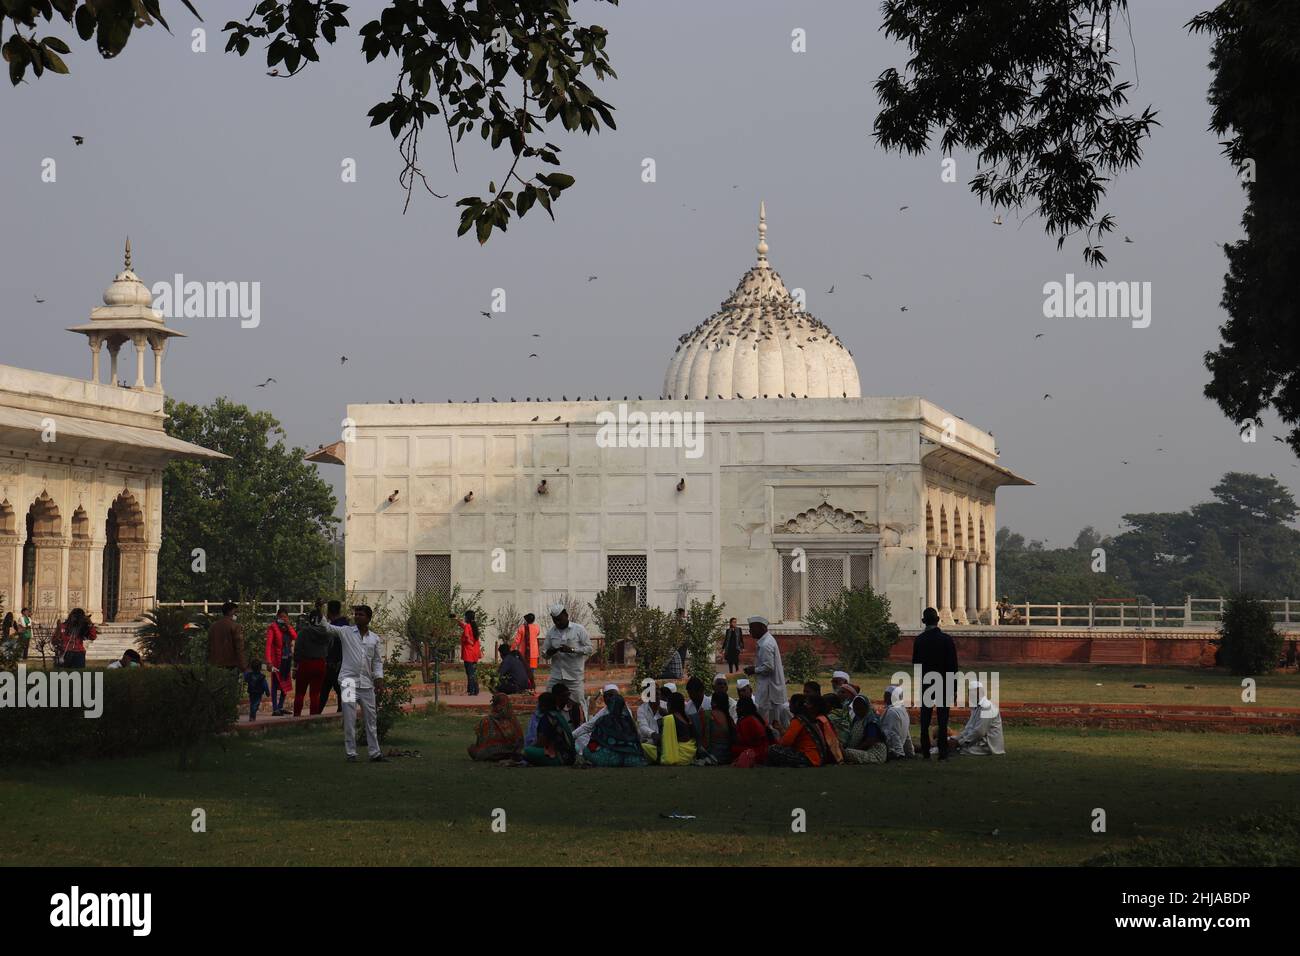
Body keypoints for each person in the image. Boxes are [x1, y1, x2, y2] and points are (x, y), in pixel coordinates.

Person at [321, 605, 387, 763]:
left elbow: (377, 661)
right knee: (349, 719)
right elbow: (327, 628)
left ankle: (375, 753)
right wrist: (320, 612)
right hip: (348, 681)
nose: (357, 616)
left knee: (371, 719)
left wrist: (379, 677)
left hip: (366, 684)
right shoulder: (346, 631)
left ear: (369, 618)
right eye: (356, 614)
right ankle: (351, 753)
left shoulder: (374, 638)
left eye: (361, 614)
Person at [913, 606, 959, 760]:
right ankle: (942, 753)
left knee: (925, 720)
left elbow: (916, 664)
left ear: (923, 621)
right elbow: (953, 666)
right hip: (944, 683)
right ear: (938, 621)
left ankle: (926, 752)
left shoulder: (919, 640)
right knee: (942, 719)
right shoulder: (946, 640)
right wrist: (953, 688)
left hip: (927, 683)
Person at [542, 603, 593, 717]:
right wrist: (550, 652)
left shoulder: (579, 629)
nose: (558, 623)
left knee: (578, 704)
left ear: (566, 615)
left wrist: (572, 650)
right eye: (555, 621)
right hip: (556, 676)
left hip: (574, 676)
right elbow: (544, 653)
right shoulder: (551, 632)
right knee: (548, 701)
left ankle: (583, 729)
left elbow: (589, 649)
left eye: (560, 620)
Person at [582, 685, 648, 767]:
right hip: (630, 759)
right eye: (607, 696)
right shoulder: (628, 721)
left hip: (610, 758)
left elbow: (593, 743)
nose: (609, 698)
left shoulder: (602, 721)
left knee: (586, 751)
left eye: (611, 696)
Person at [744, 616, 788, 730]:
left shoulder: (765, 644)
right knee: (773, 716)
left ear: (762, 628)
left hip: (769, 688)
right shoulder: (767, 640)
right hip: (770, 687)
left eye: (752, 628)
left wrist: (753, 670)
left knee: (769, 718)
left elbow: (769, 667)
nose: (750, 631)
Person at [767, 694, 831, 767]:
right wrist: (780, 729)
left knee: (772, 749)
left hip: (809, 758)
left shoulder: (798, 720)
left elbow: (785, 742)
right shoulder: (808, 718)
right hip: (818, 758)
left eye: (791, 703)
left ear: (796, 705)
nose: (789, 706)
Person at [643, 691, 696, 766]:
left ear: (670, 705)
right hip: (689, 755)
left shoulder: (669, 719)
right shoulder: (687, 718)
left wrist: (651, 740)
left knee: (644, 746)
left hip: (678, 755)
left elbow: (663, 742)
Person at [523, 692, 576, 766]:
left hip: (560, 756)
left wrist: (531, 747)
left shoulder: (547, 718)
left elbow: (541, 742)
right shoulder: (558, 715)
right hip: (570, 755)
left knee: (526, 752)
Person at [292, 612, 331, 716]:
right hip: (320, 664)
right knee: (315, 694)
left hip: (305, 663)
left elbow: (298, 649)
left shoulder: (304, 632)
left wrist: (295, 666)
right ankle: (314, 719)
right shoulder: (326, 632)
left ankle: (297, 717)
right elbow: (329, 646)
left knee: (300, 693)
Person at [953, 681, 1005, 756]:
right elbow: (969, 728)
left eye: (971, 692)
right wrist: (956, 739)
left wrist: (959, 743)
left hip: (988, 746)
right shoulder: (976, 707)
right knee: (949, 744)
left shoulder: (987, 707)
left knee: (957, 749)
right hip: (978, 741)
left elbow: (979, 732)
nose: (969, 696)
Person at [468, 692, 525, 762]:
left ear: (494, 704)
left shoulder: (486, 720)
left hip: (491, 754)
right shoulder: (514, 720)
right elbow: (520, 741)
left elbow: (480, 742)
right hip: (513, 753)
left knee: (471, 748)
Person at [265, 607, 297, 716]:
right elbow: (268, 645)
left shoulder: (287, 628)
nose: (283, 618)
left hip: (286, 660)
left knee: (285, 684)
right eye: (281, 616)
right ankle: (275, 708)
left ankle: (280, 706)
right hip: (276, 661)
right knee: (275, 684)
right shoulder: (273, 628)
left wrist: (288, 626)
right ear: (278, 616)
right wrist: (268, 661)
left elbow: (294, 636)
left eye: (285, 616)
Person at [318, 600, 347, 713]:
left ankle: (316, 714)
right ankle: (342, 714)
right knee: (340, 692)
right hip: (340, 663)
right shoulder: (345, 624)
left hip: (334, 664)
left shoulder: (335, 626)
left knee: (325, 691)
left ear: (329, 612)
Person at [842, 694, 887, 764]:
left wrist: (855, 749)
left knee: (846, 752)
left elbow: (870, 740)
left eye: (860, 706)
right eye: (855, 705)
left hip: (875, 752)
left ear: (866, 706)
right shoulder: (856, 719)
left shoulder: (871, 720)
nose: (857, 707)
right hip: (863, 750)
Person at [731, 696, 774, 767]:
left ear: (742, 708)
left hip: (758, 752)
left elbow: (747, 742)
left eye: (738, 707)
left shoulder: (746, 720)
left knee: (733, 749)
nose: (736, 709)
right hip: (764, 750)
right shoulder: (755, 717)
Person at [207, 600, 247, 673]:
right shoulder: (235, 626)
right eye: (235, 612)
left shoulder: (213, 626)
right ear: (230, 612)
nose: (236, 615)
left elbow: (209, 645)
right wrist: (243, 666)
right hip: (230, 664)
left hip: (215, 663)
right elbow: (239, 647)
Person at [881, 684, 915, 760]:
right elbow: (907, 735)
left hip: (890, 749)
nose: (884, 697)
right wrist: (910, 752)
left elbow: (893, 734)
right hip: (897, 747)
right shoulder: (903, 710)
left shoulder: (892, 711)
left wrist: (900, 754)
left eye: (887, 695)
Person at [704, 690, 736, 764]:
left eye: (711, 701)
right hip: (727, 756)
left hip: (713, 755)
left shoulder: (708, 714)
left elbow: (704, 738)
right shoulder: (729, 718)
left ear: (714, 703)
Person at [512, 612, 541, 691]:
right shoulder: (536, 628)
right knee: (532, 671)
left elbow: (517, 640)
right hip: (534, 654)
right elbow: (537, 634)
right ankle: (531, 686)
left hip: (523, 654)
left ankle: (525, 686)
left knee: (524, 671)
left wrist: (511, 648)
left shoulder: (521, 628)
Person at [456, 609, 482, 696]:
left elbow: (466, 636)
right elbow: (463, 625)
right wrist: (456, 619)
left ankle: (471, 690)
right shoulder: (474, 626)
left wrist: (470, 642)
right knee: (474, 672)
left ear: (467, 617)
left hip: (468, 652)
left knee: (469, 672)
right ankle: (476, 690)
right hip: (475, 653)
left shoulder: (468, 626)